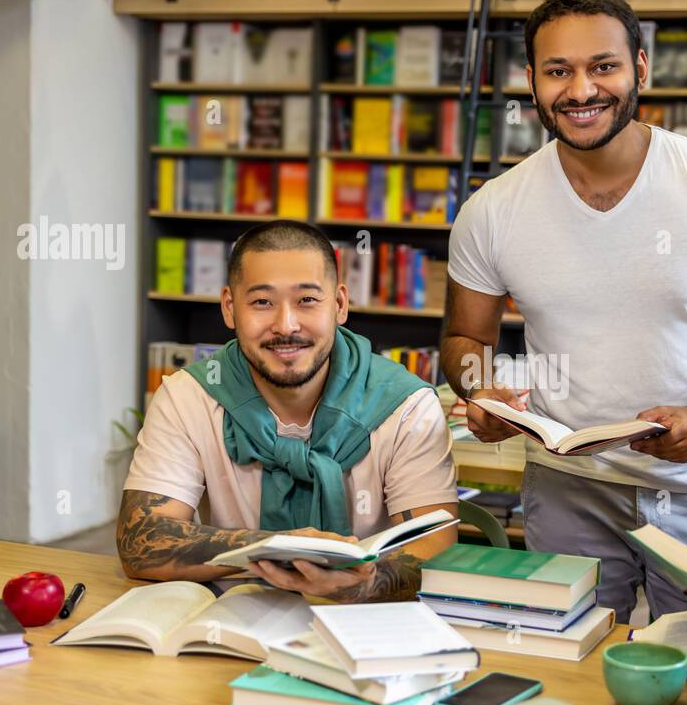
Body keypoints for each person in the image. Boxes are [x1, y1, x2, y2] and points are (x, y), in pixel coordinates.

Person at [442, 0, 687, 622]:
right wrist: (480, 391)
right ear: (531, 80)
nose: (580, 90)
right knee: (567, 661)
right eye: (558, 71)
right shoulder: (493, 210)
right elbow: (466, 338)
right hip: (564, 484)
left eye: (603, 66)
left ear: (641, 68)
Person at [117, 220, 458, 602]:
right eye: (262, 302)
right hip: (231, 619)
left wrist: (362, 582)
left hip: (368, 627)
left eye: (307, 300)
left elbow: (437, 555)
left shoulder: (406, 406)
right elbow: (141, 541)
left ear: (340, 304)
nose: (286, 325)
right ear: (230, 308)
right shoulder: (188, 396)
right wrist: (279, 547)